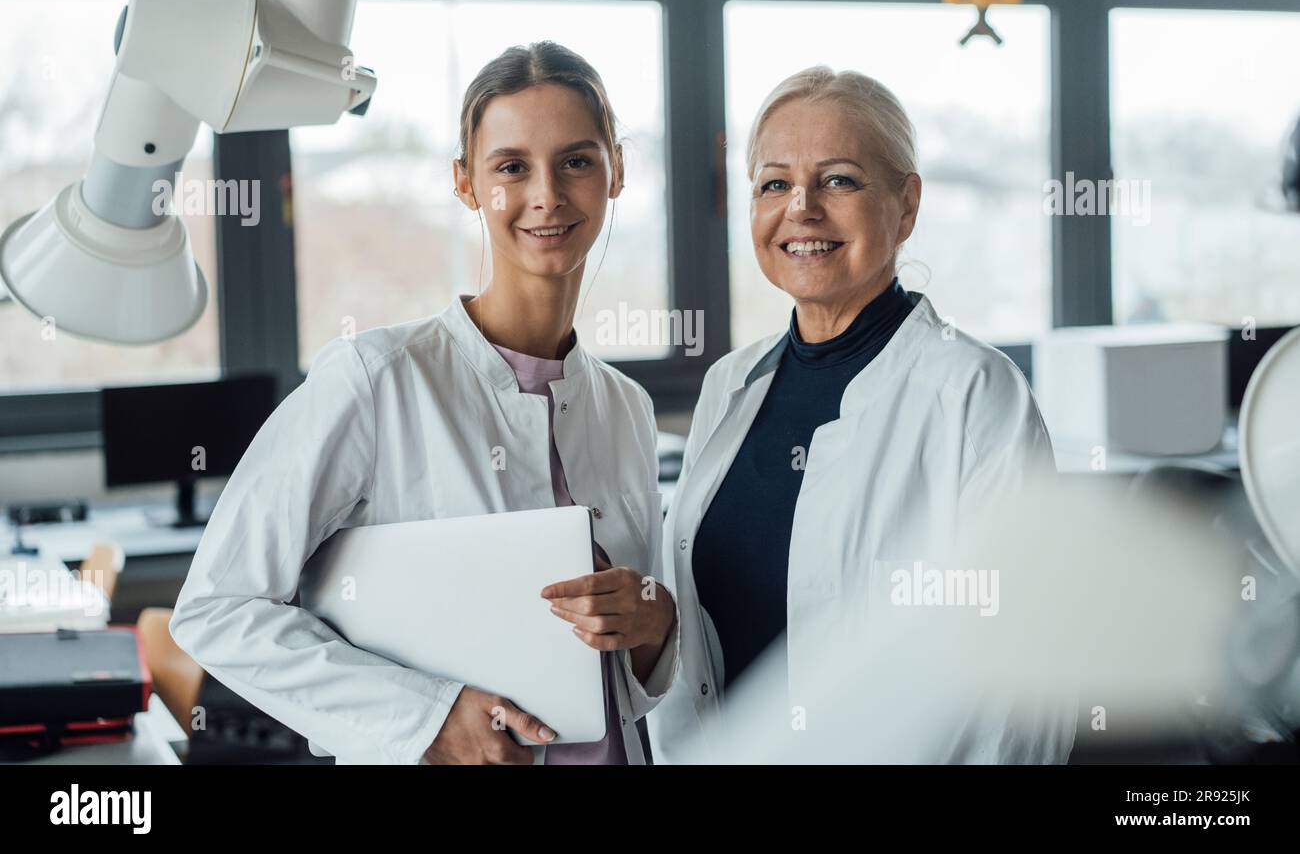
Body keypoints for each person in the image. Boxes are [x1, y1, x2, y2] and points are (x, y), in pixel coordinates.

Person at [171, 41, 679, 765]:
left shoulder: (625, 407)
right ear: (466, 184)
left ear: (616, 172)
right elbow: (218, 609)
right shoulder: (375, 378)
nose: (546, 195)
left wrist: (654, 623)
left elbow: (625, 687)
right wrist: (426, 718)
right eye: (511, 167)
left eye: (576, 161)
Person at [647, 65, 1074, 764]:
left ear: (905, 206)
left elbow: (1020, 687)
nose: (802, 209)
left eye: (839, 180)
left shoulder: (976, 393)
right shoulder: (730, 386)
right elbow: (693, 647)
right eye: (775, 183)